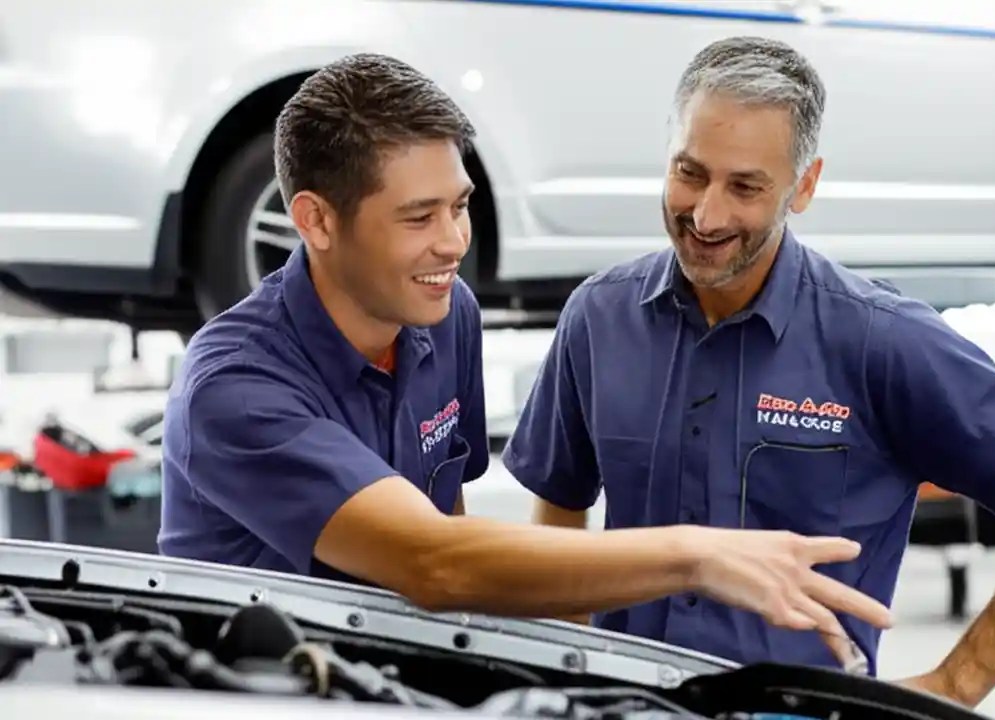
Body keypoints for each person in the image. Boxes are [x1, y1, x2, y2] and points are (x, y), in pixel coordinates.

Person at [156, 53, 892, 667]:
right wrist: (695, 556)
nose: (454, 243)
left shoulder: (445, 317)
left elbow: (453, 518)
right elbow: (435, 561)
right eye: (419, 217)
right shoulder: (235, 388)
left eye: (460, 205)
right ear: (315, 219)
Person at [502, 36, 995, 707]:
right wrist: (569, 680)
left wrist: (954, 686)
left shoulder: (878, 340)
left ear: (804, 185)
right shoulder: (598, 318)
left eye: (745, 187)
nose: (706, 214)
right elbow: (558, 520)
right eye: (690, 173)